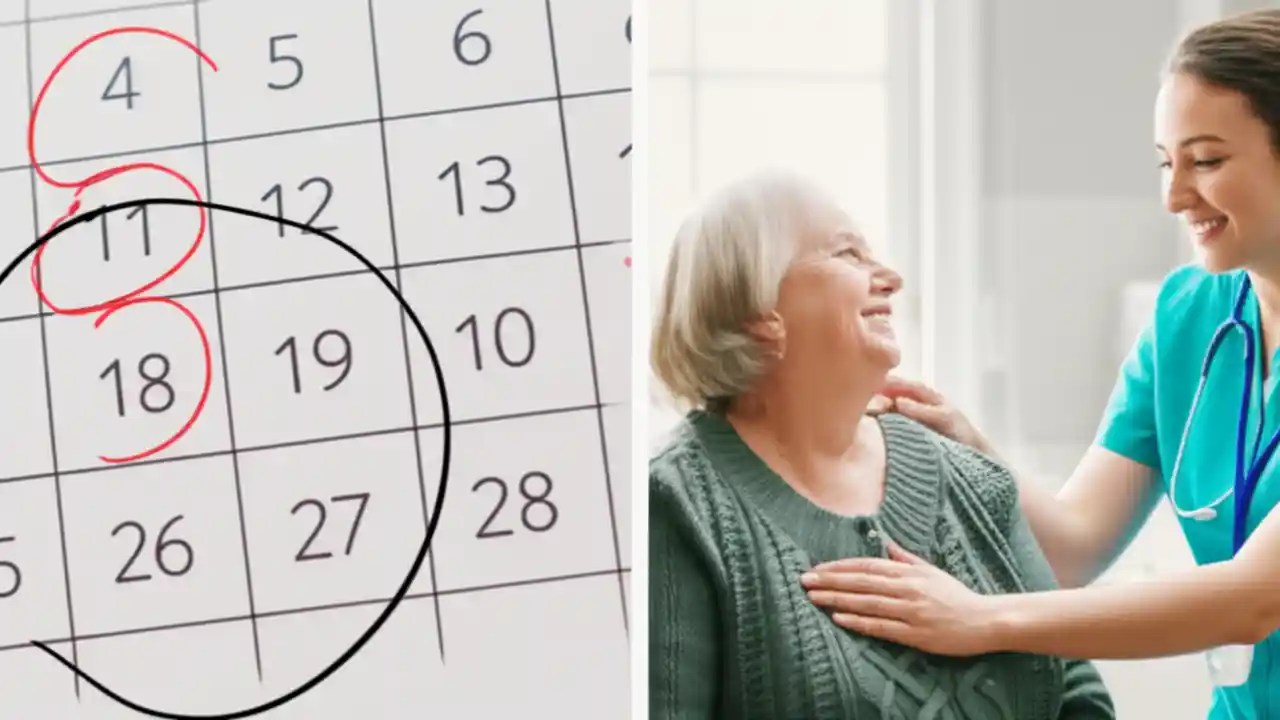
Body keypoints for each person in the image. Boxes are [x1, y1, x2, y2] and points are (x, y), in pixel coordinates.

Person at [800, 8, 1280, 720]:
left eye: (1206, 161)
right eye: (1164, 162)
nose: (1175, 196)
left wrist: (981, 620)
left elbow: (1253, 600)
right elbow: (1076, 546)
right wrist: (971, 450)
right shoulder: (1188, 319)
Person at [647, 169, 1115, 719]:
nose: (890, 278)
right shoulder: (677, 504)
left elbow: (1078, 696)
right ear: (756, 311)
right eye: (848, 254)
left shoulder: (974, 481)